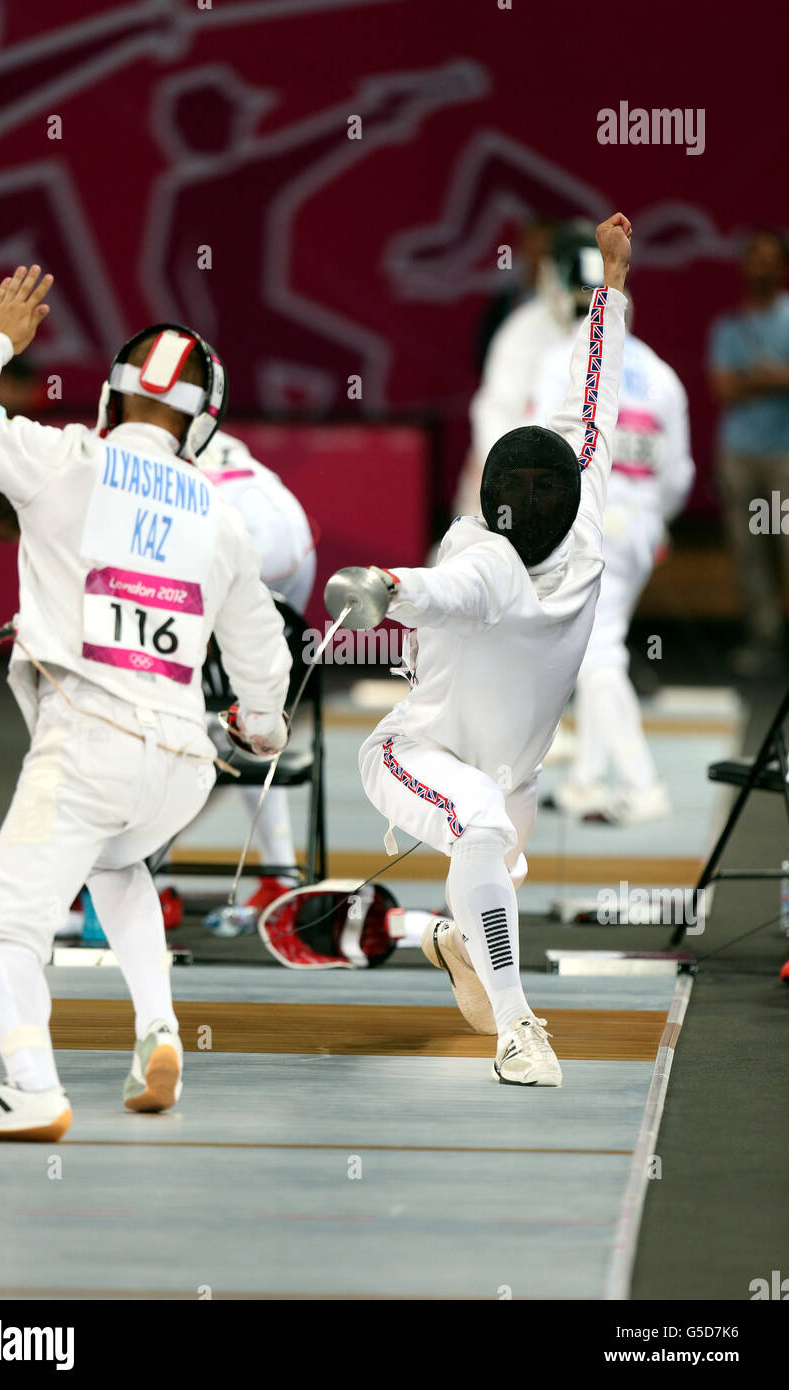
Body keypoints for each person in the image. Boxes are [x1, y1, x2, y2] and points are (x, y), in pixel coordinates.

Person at [0, 267, 291, 1140]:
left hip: (88, 741)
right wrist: (261, 728)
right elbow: (263, 660)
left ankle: (31, 1089)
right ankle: (159, 1032)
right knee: (117, 867)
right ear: (204, 423)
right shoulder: (221, 514)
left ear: (109, 397)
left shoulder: (63, 458)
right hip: (181, 766)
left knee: (4, 934)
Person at [329, 214, 632, 1087]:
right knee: (482, 824)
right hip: (411, 756)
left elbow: (593, 388)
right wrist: (385, 585)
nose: (539, 500)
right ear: (495, 502)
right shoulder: (483, 560)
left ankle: (450, 936)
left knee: (491, 851)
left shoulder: (586, 500)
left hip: (516, 774)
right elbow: (439, 591)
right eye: (522, 491)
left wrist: (609, 283)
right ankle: (518, 1028)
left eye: (549, 489)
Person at [533, 311, 695, 823]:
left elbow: (540, 447)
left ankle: (641, 786)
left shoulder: (563, 359)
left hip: (590, 521)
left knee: (597, 653)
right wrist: (651, 520)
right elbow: (677, 474)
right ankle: (586, 781)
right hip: (641, 525)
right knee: (594, 646)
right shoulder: (662, 374)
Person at [198, 432, 316, 915]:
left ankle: (148, 874)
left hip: (224, 534)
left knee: (184, 704)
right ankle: (280, 871)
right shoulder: (216, 439)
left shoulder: (143, 448)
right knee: (252, 710)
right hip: (291, 535)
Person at [458, 219, 605, 517]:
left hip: (577, 496)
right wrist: (514, 484)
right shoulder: (520, 332)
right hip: (512, 487)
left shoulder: (609, 335)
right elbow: (493, 413)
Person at [708, 228, 789, 675]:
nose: (760, 265)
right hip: (740, 456)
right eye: (753, 256)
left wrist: (756, 380)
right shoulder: (728, 326)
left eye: (769, 257)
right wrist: (772, 379)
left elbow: (741, 384)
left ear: (781, 266)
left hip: (785, 458)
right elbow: (723, 388)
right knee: (750, 551)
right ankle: (764, 639)